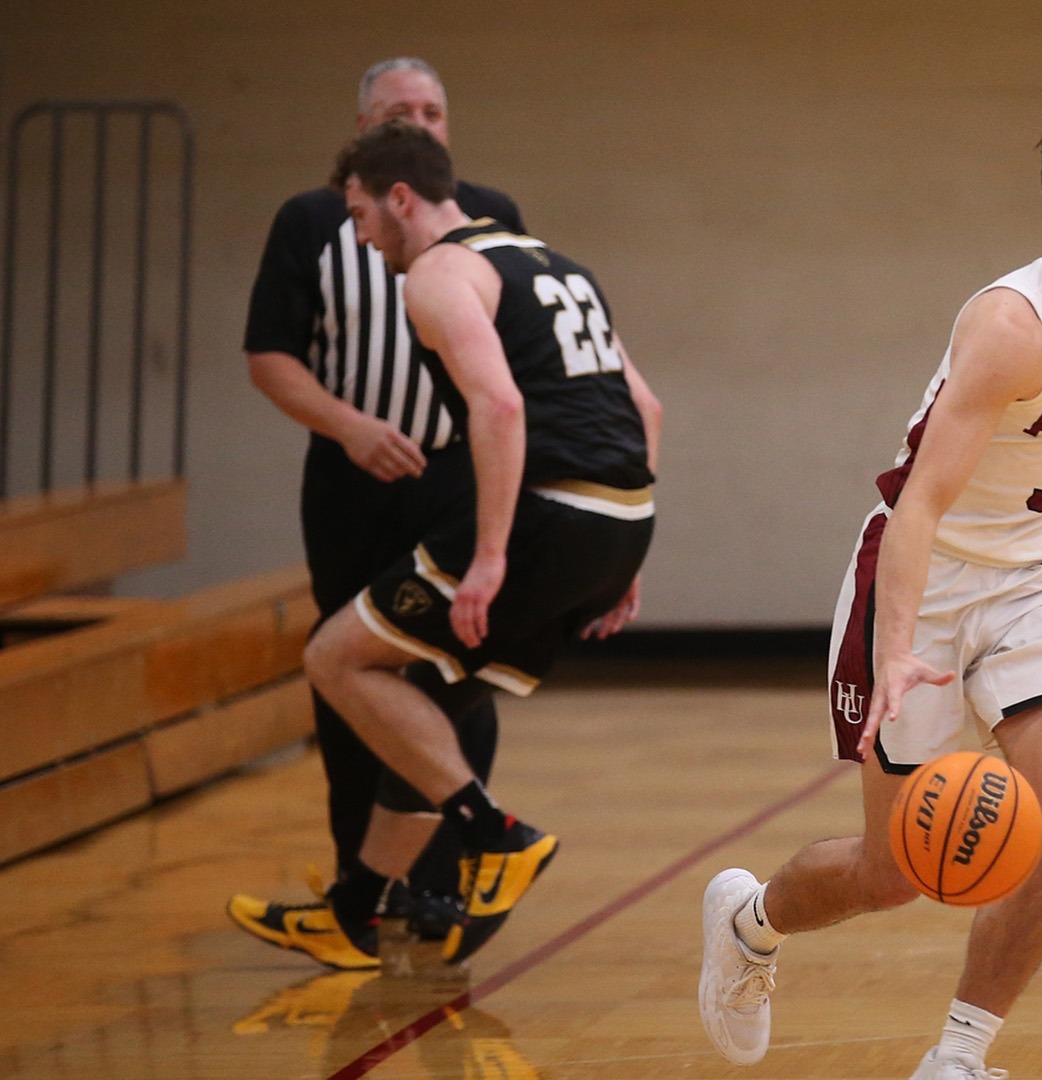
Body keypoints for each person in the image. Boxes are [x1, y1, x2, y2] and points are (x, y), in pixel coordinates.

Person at [698, 84, 1042, 1080]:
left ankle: (959, 1057)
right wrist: (893, 657)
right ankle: (749, 924)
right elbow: (920, 504)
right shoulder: (1008, 327)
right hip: (921, 584)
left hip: (1032, 584)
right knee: (894, 877)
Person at [293, 121, 660, 970]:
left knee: (336, 660)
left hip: (546, 512)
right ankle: (354, 908)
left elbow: (498, 407)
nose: (356, 235)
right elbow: (647, 408)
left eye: (357, 214)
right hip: (621, 514)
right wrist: (628, 551)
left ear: (399, 198)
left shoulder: (439, 272)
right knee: (429, 703)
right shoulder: (556, 264)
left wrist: (489, 556)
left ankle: (495, 834)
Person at [232, 58, 526, 969]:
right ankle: (358, 881)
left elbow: (518, 364)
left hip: (453, 479)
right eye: (402, 111)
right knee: (347, 675)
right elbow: (270, 355)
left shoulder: (490, 218)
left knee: (455, 676)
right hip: (353, 482)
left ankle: (443, 877)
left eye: (435, 108)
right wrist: (351, 426)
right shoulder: (316, 219)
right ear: (363, 126)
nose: (422, 121)